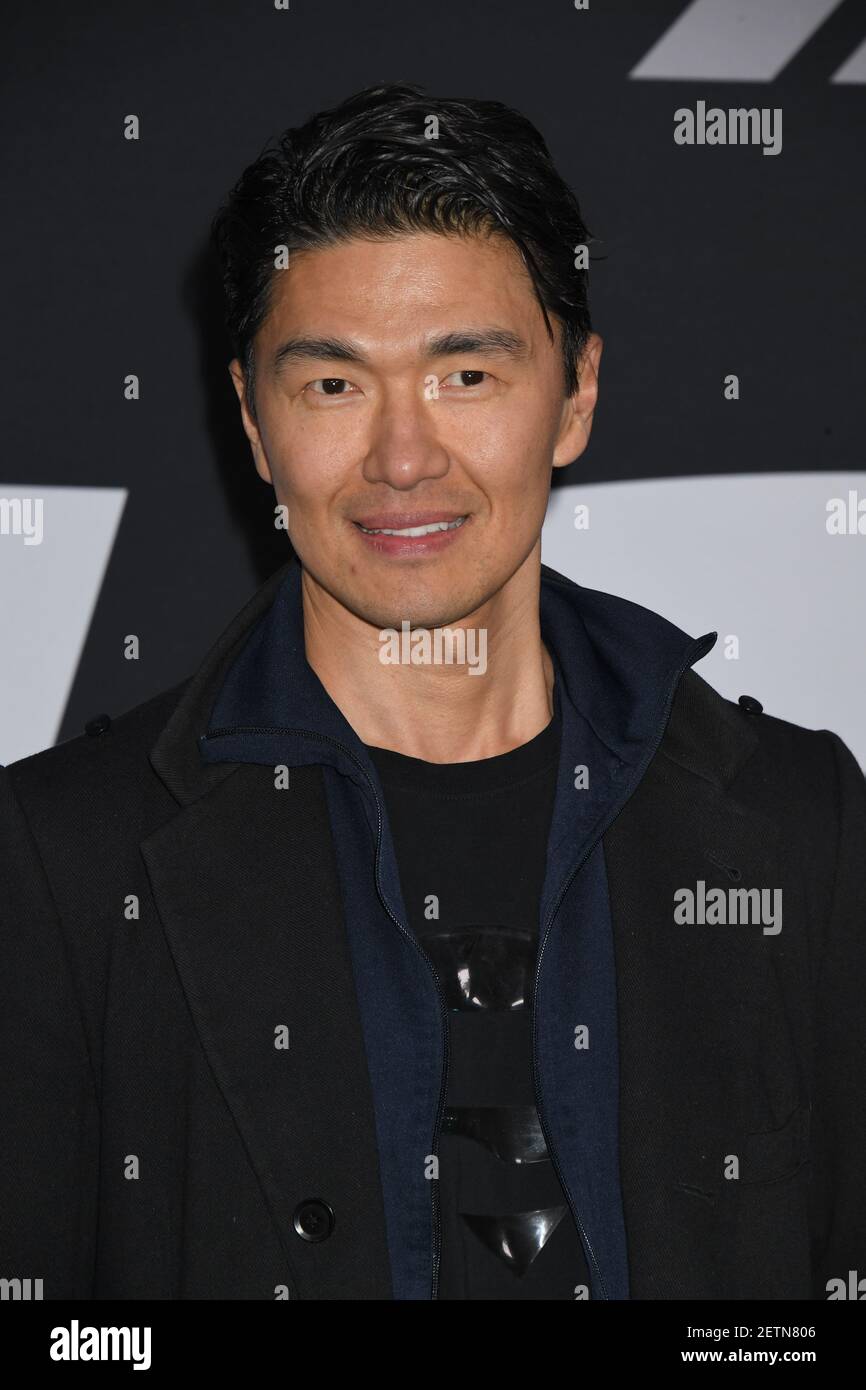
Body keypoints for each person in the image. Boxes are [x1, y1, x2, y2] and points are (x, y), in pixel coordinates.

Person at [1, 82, 864, 1301]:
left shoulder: (801, 822)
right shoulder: (64, 859)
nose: (403, 460)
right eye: (333, 385)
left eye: (465, 374)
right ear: (253, 424)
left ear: (574, 395)